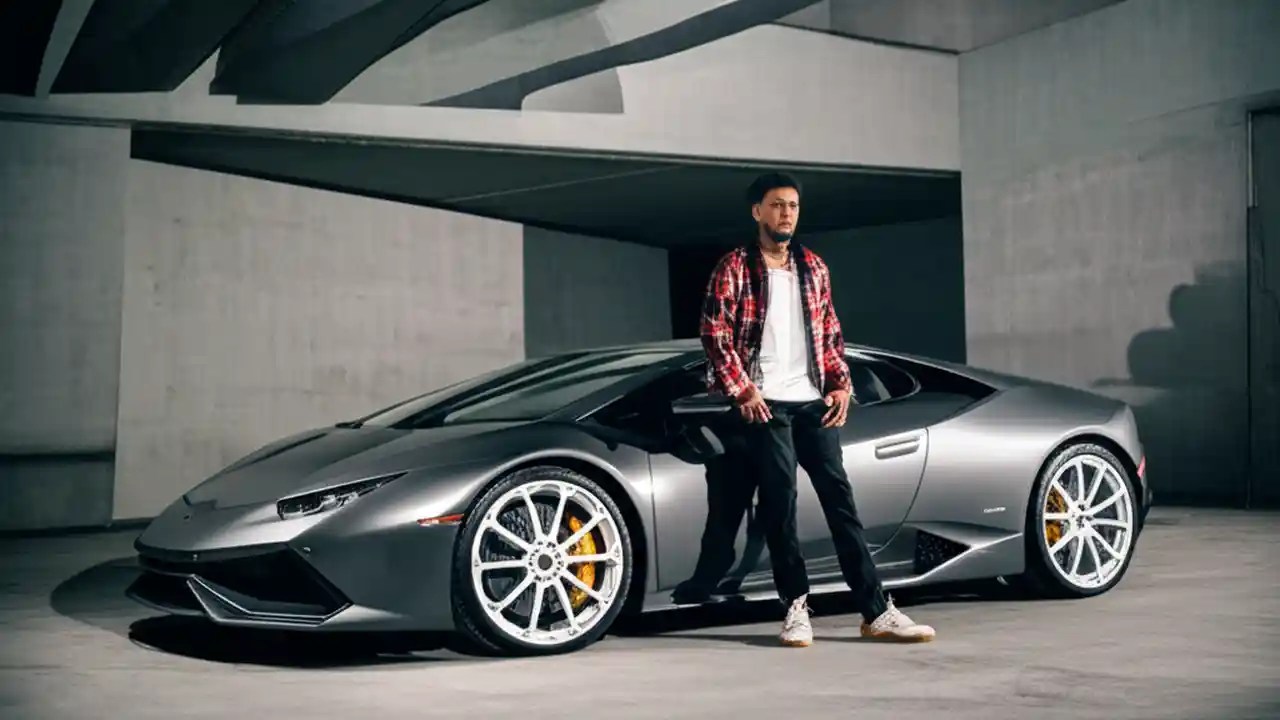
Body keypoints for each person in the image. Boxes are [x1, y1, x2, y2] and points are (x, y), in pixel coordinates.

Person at [698, 171, 936, 646]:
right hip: (765, 405)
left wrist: (841, 384)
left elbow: (830, 334)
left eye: (793, 206)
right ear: (757, 212)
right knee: (780, 505)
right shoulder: (734, 267)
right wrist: (742, 390)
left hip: (812, 403)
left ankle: (876, 611)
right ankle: (795, 609)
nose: (786, 213)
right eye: (777, 205)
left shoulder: (813, 267)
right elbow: (714, 335)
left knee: (840, 503)